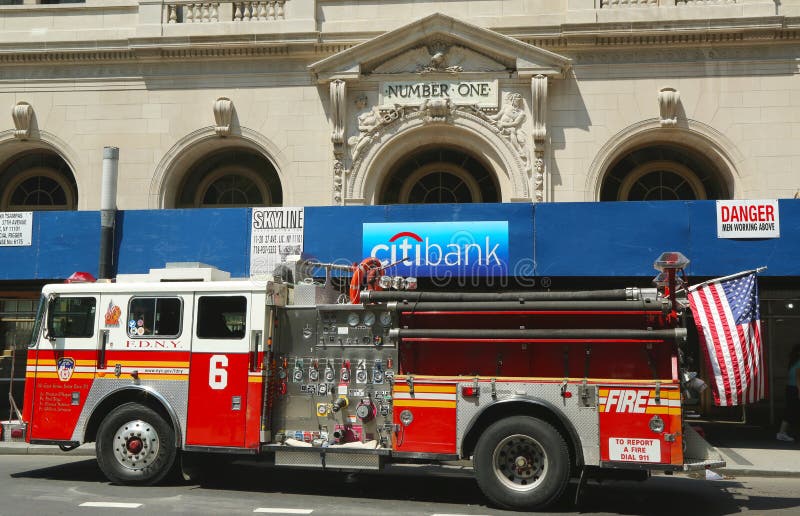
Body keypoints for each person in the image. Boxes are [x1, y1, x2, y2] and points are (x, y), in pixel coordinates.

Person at [777, 344, 800, 442]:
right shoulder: (799, 363)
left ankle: (783, 432)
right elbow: (798, 378)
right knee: (791, 411)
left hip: (790, 388)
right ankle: (781, 433)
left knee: (791, 410)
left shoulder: (793, 362)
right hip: (795, 389)